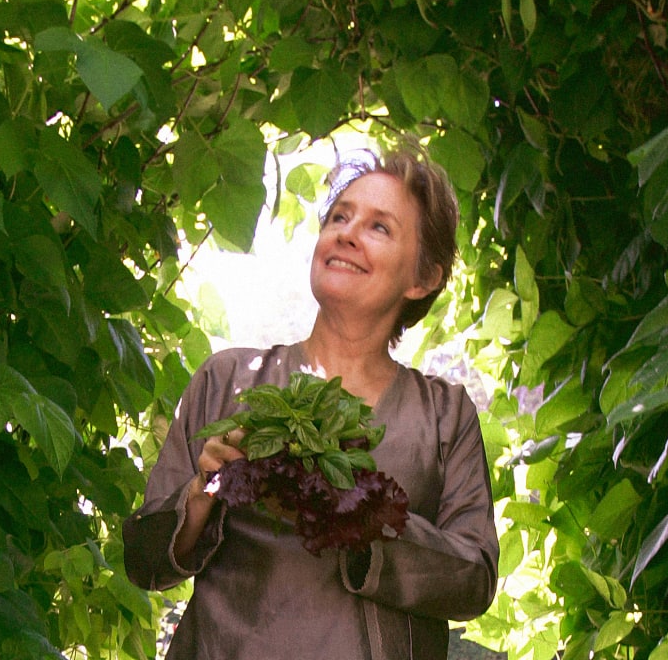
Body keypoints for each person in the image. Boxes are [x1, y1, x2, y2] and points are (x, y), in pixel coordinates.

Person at [123, 148, 499, 660]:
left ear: (423, 277)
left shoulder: (444, 415)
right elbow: (144, 562)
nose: (346, 233)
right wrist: (201, 493)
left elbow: (474, 580)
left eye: (379, 228)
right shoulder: (228, 379)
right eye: (339, 217)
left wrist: (364, 520)